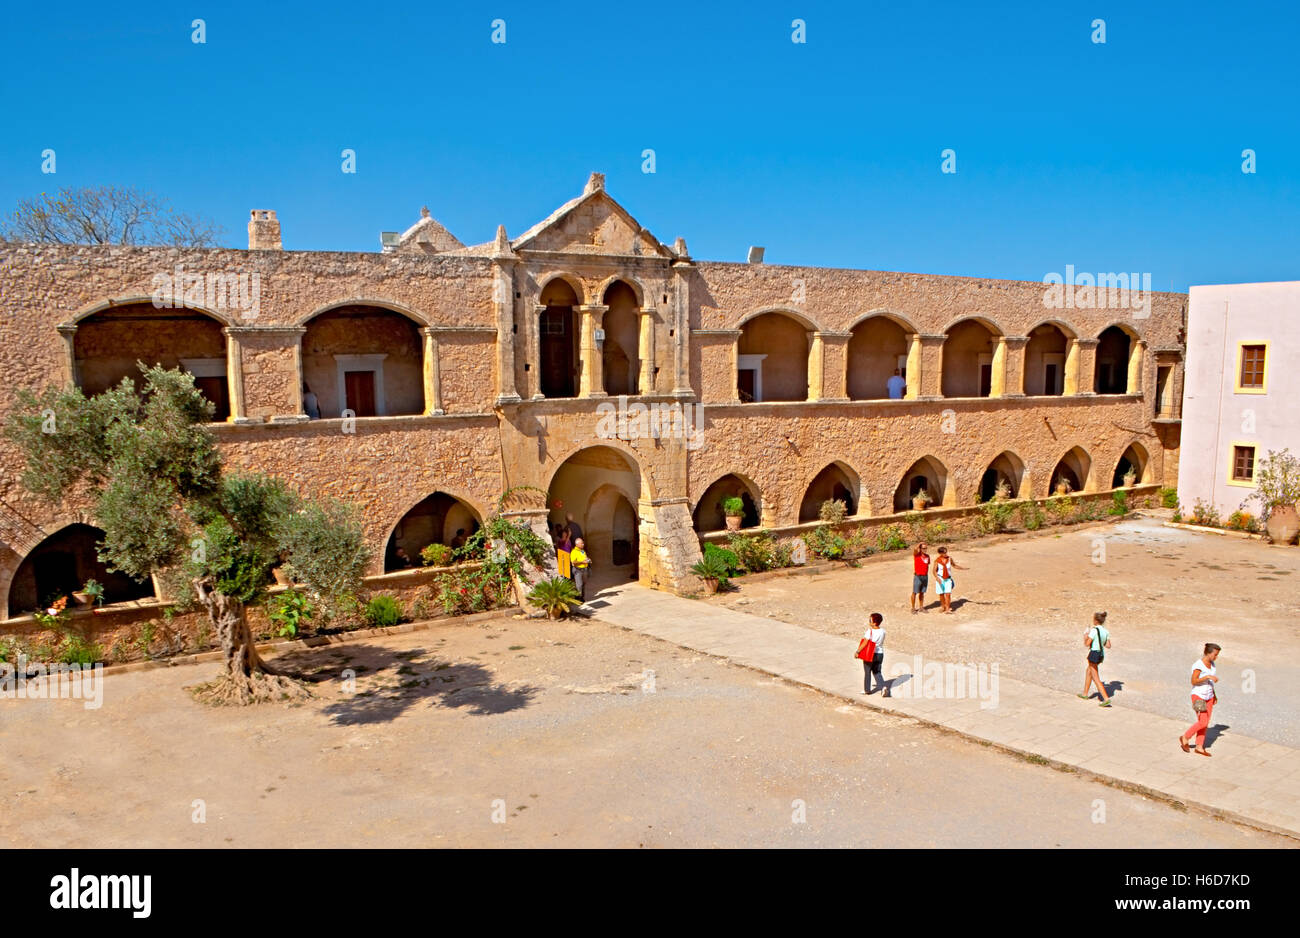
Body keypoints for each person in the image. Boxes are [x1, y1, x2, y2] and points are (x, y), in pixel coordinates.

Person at [1180, 643, 1221, 756]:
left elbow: (1210, 683)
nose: (1216, 657)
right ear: (1208, 653)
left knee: (1205, 723)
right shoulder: (1198, 665)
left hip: (1209, 697)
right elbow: (1193, 681)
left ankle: (1199, 746)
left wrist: (1214, 695)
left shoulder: (1212, 665)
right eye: (1215, 654)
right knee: (1202, 722)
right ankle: (1185, 737)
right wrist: (1207, 676)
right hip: (1198, 696)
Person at [1077, 611, 1113, 707]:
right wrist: (1100, 641)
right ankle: (1085, 694)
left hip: (1093, 654)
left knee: (1095, 677)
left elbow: (1087, 644)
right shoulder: (1105, 631)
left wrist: (1085, 635)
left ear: (1096, 621)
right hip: (1101, 654)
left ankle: (1106, 698)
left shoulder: (1094, 630)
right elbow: (1108, 645)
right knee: (1088, 671)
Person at [855, 612, 890, 696]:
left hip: (870, 654)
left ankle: (867, 690)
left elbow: (865, 643)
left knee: (867, 672)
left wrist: (857, 652)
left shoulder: (870, 631)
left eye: (870, 620)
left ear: (874, 623)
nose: (869, 622)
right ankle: (883, 687)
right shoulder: (883, 631)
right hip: (880, 654)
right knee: (877, 672)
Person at [932, 546, 965, 614]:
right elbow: (934, 571)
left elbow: (954, 565)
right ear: (940, 553)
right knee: (941, 594)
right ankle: (943, 606)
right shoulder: (937, 561)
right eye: (944, 552)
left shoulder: (949, 559)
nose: (945, 553)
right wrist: (937, 578)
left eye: (946, 552)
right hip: (940, 578)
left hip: (948, 579)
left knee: (948, 594)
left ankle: (947, 608)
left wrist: (962, 568)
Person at [910, 543, 931, 613]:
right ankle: (913, 608)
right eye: (923, 548)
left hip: (925, 576)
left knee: (922, 592)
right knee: (914, 592)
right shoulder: (917, 555)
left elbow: (927, 565)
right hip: (918, 576)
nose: (925, 550)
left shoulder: (927, 556)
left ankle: (921, 607)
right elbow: (915, 549)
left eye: (926, 548)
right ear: (920, 549)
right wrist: (920, 543)